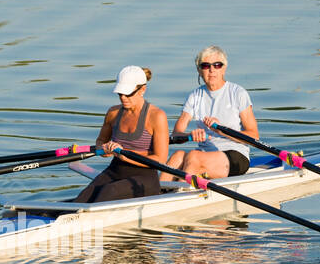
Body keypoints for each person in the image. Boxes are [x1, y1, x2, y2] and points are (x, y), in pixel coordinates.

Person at [72, 65, 170, 203]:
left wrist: (125, 155)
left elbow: (160, 160)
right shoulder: (113, 113)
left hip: (144, 179)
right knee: (82, 199)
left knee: (108, 192)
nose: (123, 98)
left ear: (142, 89)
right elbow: (100, 141)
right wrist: (104, 149)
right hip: (114, 171)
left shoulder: (156, 116)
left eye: (128, 93)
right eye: (120, 93)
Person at [166, 45, 260, 178]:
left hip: (235, 155)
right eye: (205, 66)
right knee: (177, 156)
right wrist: (190, 135)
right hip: (204, 155)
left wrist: (221, 131)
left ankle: (181, 192)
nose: (211, 70)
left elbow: (254, 135)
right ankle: (159, 193)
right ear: (199, 70)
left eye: (217, 65)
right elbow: (176, 133)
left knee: (194, 156)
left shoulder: (238, 93)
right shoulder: (194, 96)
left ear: (224, 68)